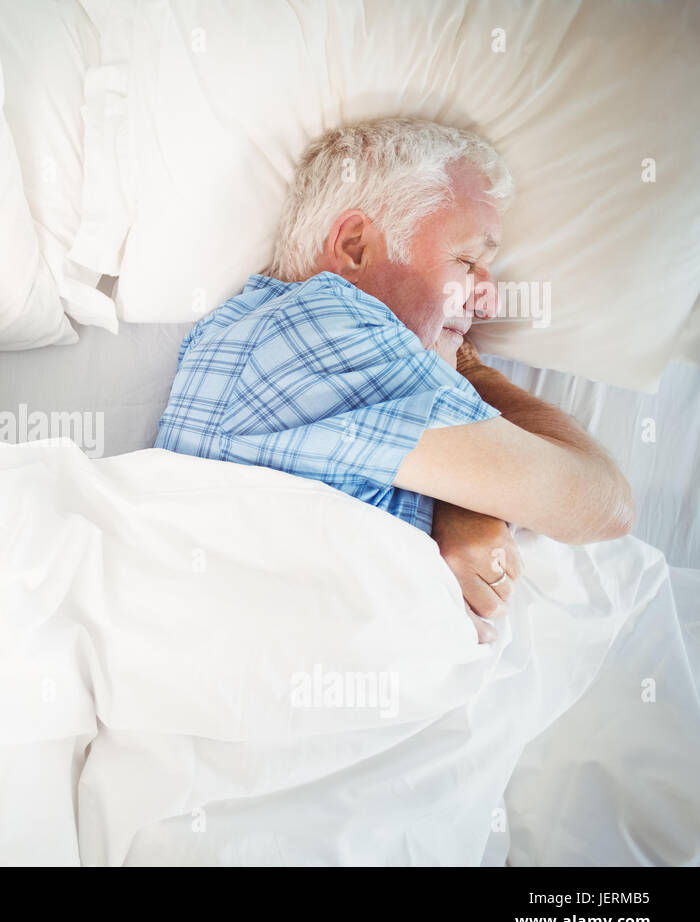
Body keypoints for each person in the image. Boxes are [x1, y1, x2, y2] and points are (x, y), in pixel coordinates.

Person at [155, 117, 635, 621]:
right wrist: (473, 370)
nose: (488, 303)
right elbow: (603, 503)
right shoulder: (330, 326)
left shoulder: (239, 326)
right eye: (468, 261)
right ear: (355, 246)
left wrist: (464, 502)